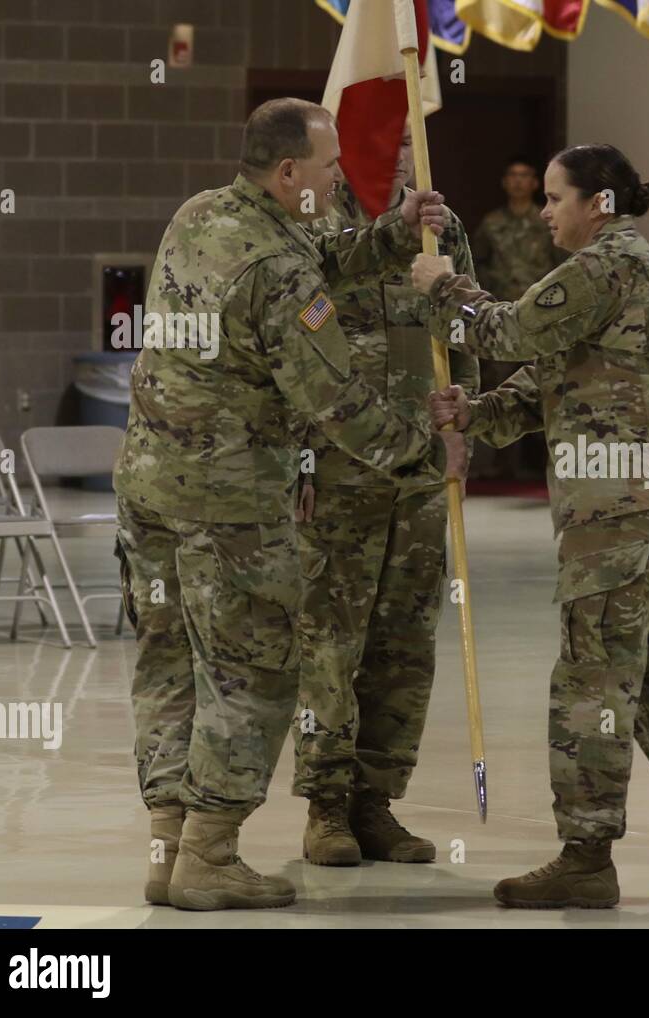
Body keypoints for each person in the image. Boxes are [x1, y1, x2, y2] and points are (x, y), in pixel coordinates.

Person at [114, 97, 465, 911]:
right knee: (255, 674)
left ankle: (168, 850)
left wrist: (384, 233)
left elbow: (309, 256)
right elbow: (334, 399)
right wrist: (424, 450)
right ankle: (211, 852)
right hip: (226, 500)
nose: (341, 175)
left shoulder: (199, 216)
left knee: (168, 667)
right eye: (329, 165)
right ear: (288, 173)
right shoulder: (279, 268)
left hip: (147, 486)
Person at [412, 143, 649, 908]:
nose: (546, 211)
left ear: (599, 203)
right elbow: (545, 380)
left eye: (557, 197)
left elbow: (506, 332)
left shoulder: (610, 261)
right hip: (647, 504)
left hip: (622, 510)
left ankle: (586, 856)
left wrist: (442, 289)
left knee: (591, 681)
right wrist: (476, 412)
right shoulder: (609, 271)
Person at [290, 145, 479, 864]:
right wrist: (297, 459)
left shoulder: (442, 226)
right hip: (339, 465)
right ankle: (327, 806)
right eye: (386, 134)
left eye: (410, 133)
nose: (400, 147)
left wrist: (467, 424)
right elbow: (288, 349)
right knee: (331, 641)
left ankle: (376, 802)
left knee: (405, 640)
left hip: (421, 462)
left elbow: (462, 324)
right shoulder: (312, 220)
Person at [469, 157, 565, 481]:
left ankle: (539, 464)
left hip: (541, 318)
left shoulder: (546, 221)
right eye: (513, 175)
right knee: (500, 385)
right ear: (505, 182)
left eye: (525, 176)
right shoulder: (492, 223)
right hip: (502, 318)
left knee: (543, 384)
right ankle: (502, 465)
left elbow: (561, 267)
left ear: (535, 182)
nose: (519, 181)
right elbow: (476, 263)